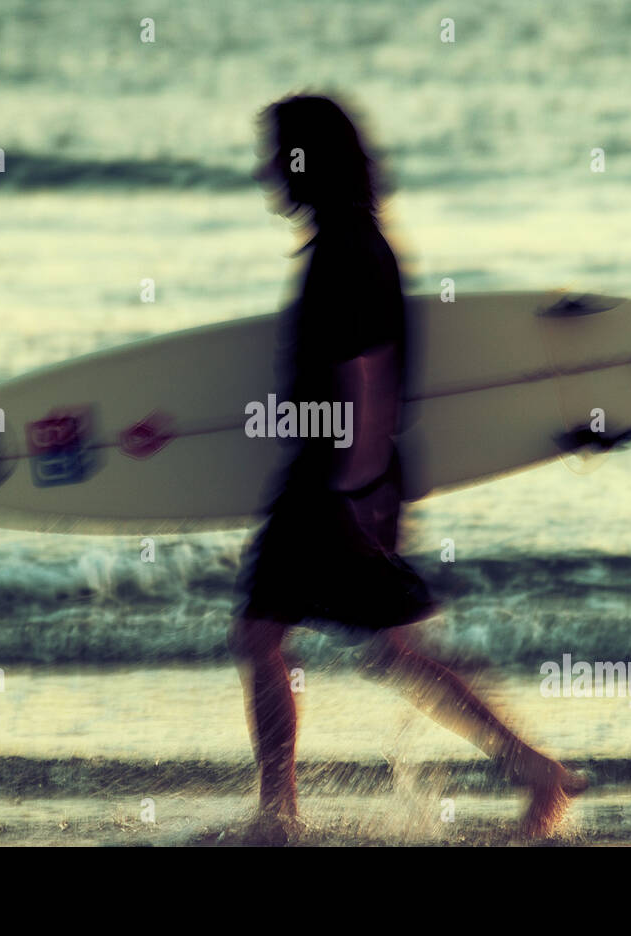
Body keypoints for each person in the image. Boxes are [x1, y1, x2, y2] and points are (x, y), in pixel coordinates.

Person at [230, 94, 587, 842]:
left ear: (308, 162)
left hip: (335, 479)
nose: (268, 169)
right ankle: (535, 771)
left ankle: (278, 817)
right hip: (342, 473)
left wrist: (355, 492)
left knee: (265, 635)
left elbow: (370, 373)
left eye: (280, 154)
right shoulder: (351, 242)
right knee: (380, 647)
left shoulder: (346, 253)